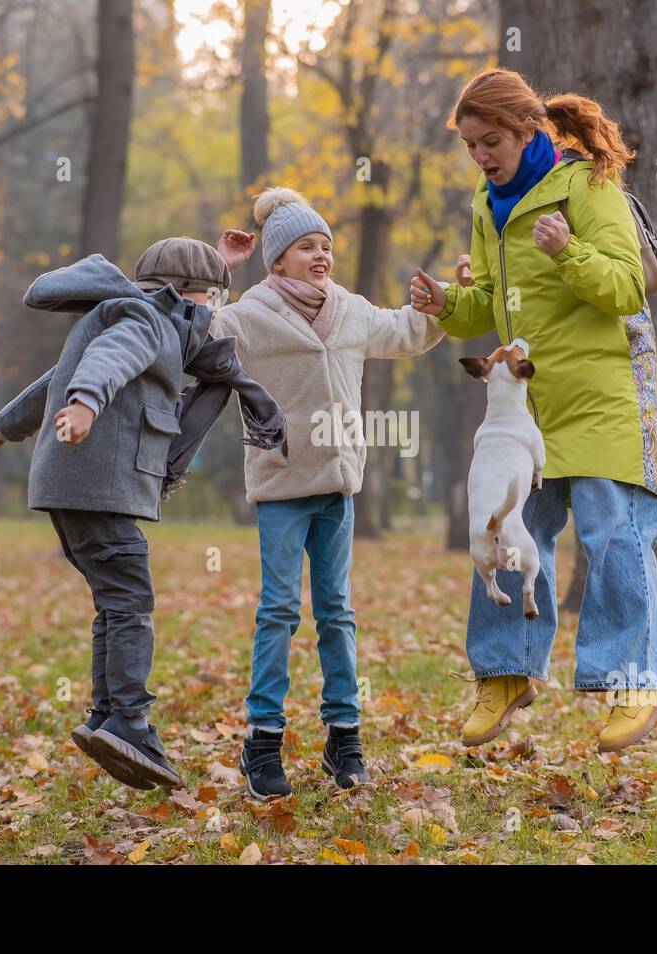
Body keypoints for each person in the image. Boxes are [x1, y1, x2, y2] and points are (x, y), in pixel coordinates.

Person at [410, 67, 657, 754]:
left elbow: (625, 287)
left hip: (603, 393)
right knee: (505, 521)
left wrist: (567, 252)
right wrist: (446, 301)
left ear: (527, 127)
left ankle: (636, 681)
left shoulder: (587, 185)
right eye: (470, 145)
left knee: (611, 530)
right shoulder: (487, 204)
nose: (481, 156)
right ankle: (505, 671)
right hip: (530, 407)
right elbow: (492, 303)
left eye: (490, 140)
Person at [0, 236, 284, 790]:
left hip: (74, 486)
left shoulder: (139, 310)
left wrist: (3, 426)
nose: (215, 314)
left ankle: (105, 714)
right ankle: (130, 722)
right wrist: (87, 402)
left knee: (114, 603)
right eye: (215, 298)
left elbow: (50, 380)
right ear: (194, 295)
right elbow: (110, 357)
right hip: (98, 484)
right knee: (132, 601)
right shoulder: (147, 319)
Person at [209, 186, 444, 798]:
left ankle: (345, 738)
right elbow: (197, 332)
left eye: (326, 246)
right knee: (280, 610)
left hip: (338, 485)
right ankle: (262, 742)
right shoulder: (250, 314)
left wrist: (443, 301)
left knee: (337, 612)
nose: (321, 255)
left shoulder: (350, 308)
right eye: (307, 246)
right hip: (283, 484)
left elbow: (407, 333)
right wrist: (218, 271)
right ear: (278, 258)